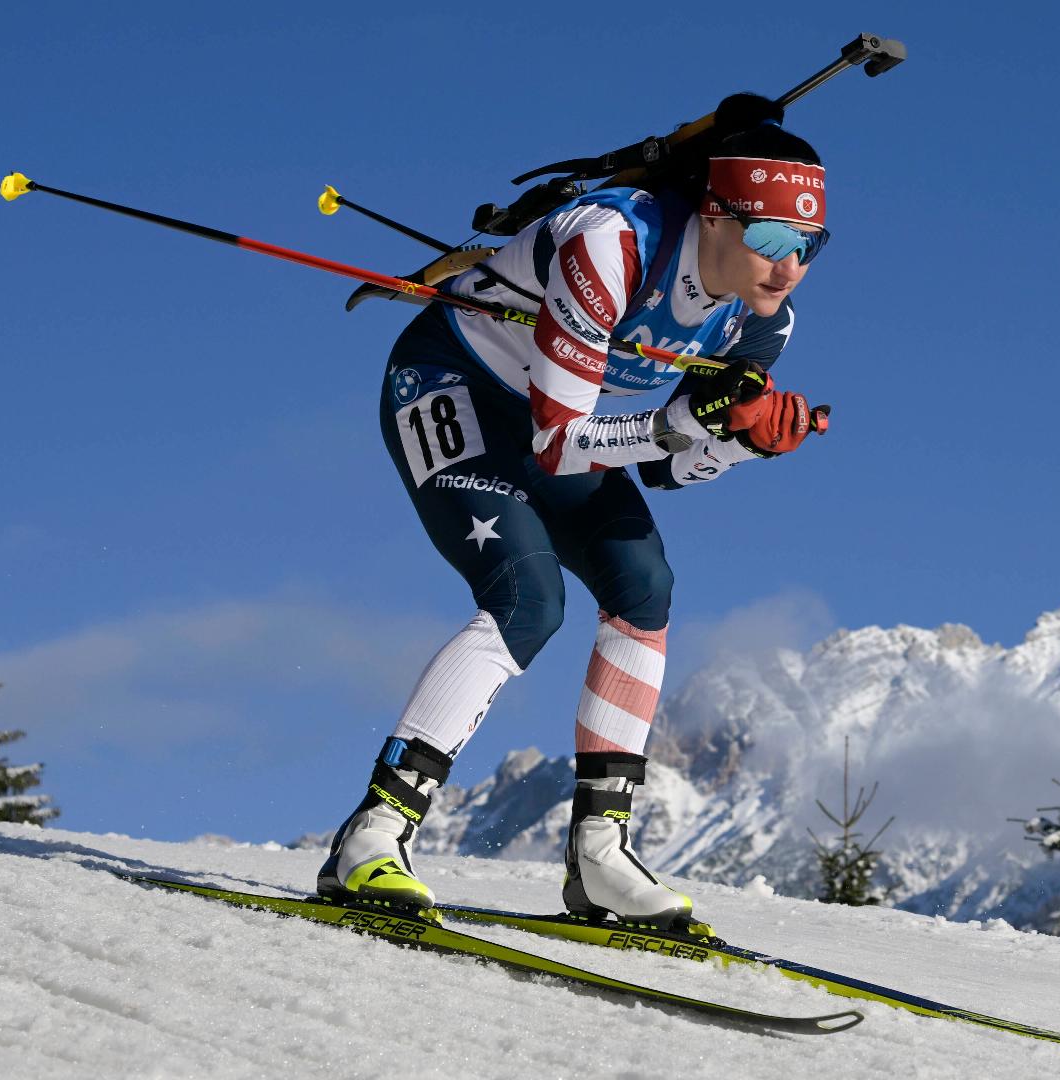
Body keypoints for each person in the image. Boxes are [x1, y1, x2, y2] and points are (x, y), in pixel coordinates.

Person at [316, 104, 830, 934]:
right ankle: (370, 836)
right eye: (772, 240)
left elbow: (664, 469)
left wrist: (742, 445)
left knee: (644, 586)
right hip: (460, 387)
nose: (789, 268)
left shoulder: (762, 319)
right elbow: (562, 442)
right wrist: (688, 427)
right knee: (529, 598)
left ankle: (599, 857)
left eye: (810, 246)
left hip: (573, 428)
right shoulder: (610, 242)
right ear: (715, 215)